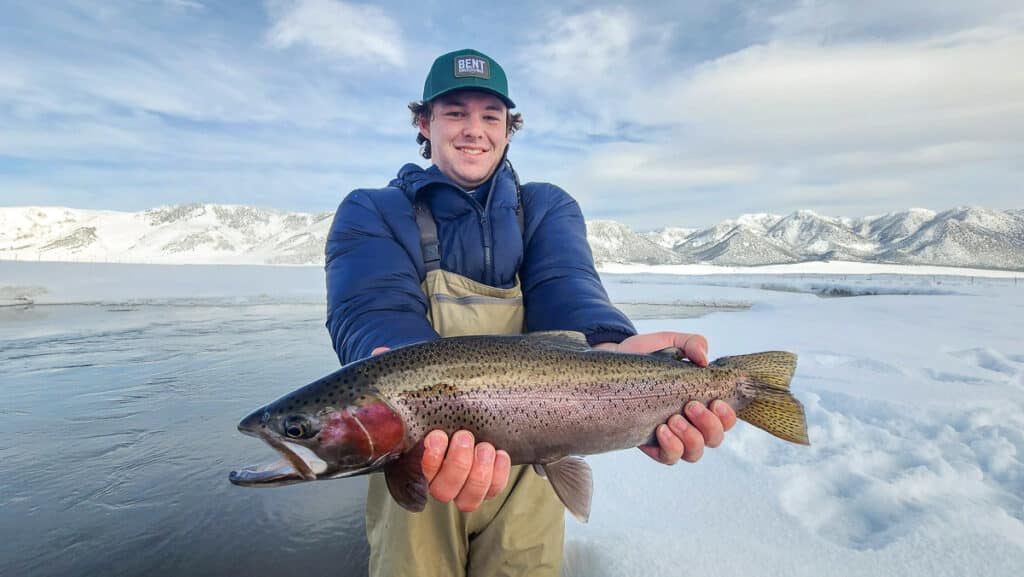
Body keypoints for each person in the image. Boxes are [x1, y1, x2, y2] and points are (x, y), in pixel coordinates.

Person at [325, 48, 736, 577]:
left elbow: (567, 288)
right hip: (421, 461)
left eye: (490, 116)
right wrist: (399, 380)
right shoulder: (373, 210)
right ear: (424, 123)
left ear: (508, 128)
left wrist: (607, 347)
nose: (474, 130)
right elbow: (371, 308)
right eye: (455, 113)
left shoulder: (545, 206)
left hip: (540, 462)